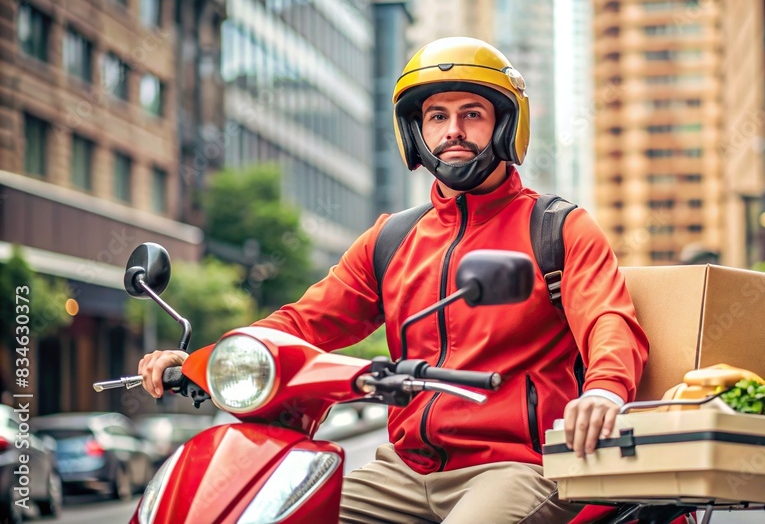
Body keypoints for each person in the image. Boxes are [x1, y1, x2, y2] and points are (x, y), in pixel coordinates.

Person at [138, 37, 649, 523]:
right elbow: (305, 322)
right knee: (275, 512)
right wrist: (212, 360)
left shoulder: (556, 228)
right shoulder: (392, 239)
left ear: (505, 125)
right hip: (404, 470)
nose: (453, 130)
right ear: (416, 132)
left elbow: (609, 319)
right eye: (437, 116)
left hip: (515, 465)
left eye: (471, 114)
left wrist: (603, 390)